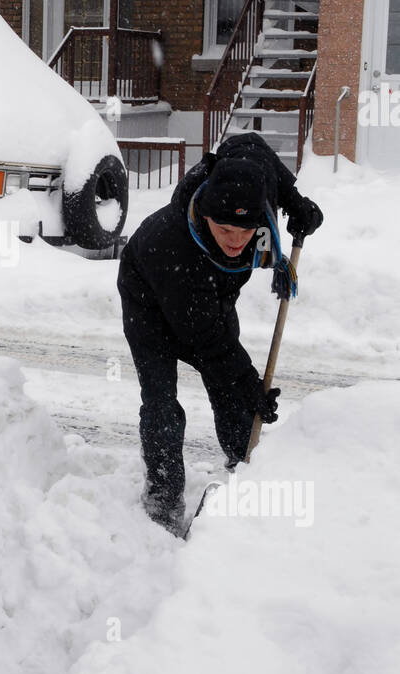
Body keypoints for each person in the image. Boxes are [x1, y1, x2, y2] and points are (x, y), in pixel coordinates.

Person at [116, 132, 323, 538]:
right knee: (161, 400)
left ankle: (244, 471)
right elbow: (208, 339)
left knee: (231, 394)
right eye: (225, 228)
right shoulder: (170, 241)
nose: (236, 240)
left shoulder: (252, 191)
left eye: (245, 230)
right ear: (206, 215)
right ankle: (163, 499)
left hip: (213, 297)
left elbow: (251, 147)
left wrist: (293, 199)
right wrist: (250, 381)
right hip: (152, 304)